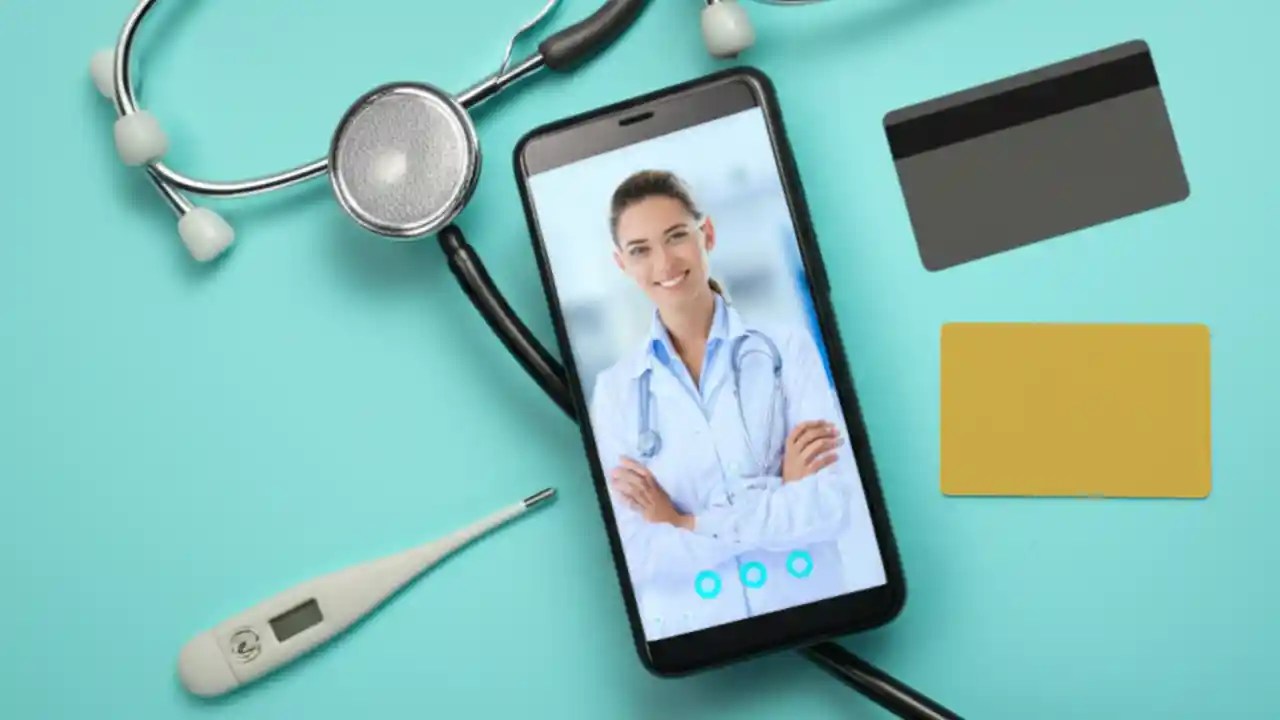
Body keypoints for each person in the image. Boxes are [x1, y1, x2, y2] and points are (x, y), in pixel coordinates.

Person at [588, 169, 863, 641]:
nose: (663, 262)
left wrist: (683, 522)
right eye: (640, 250)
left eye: (676, 236)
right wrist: (777, 497)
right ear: (622, 264)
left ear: (706, 234)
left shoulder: (787, 349)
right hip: (700, 632)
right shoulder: (614, 392)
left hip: (815, 618)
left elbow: (829, 506)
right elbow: (639, 554)